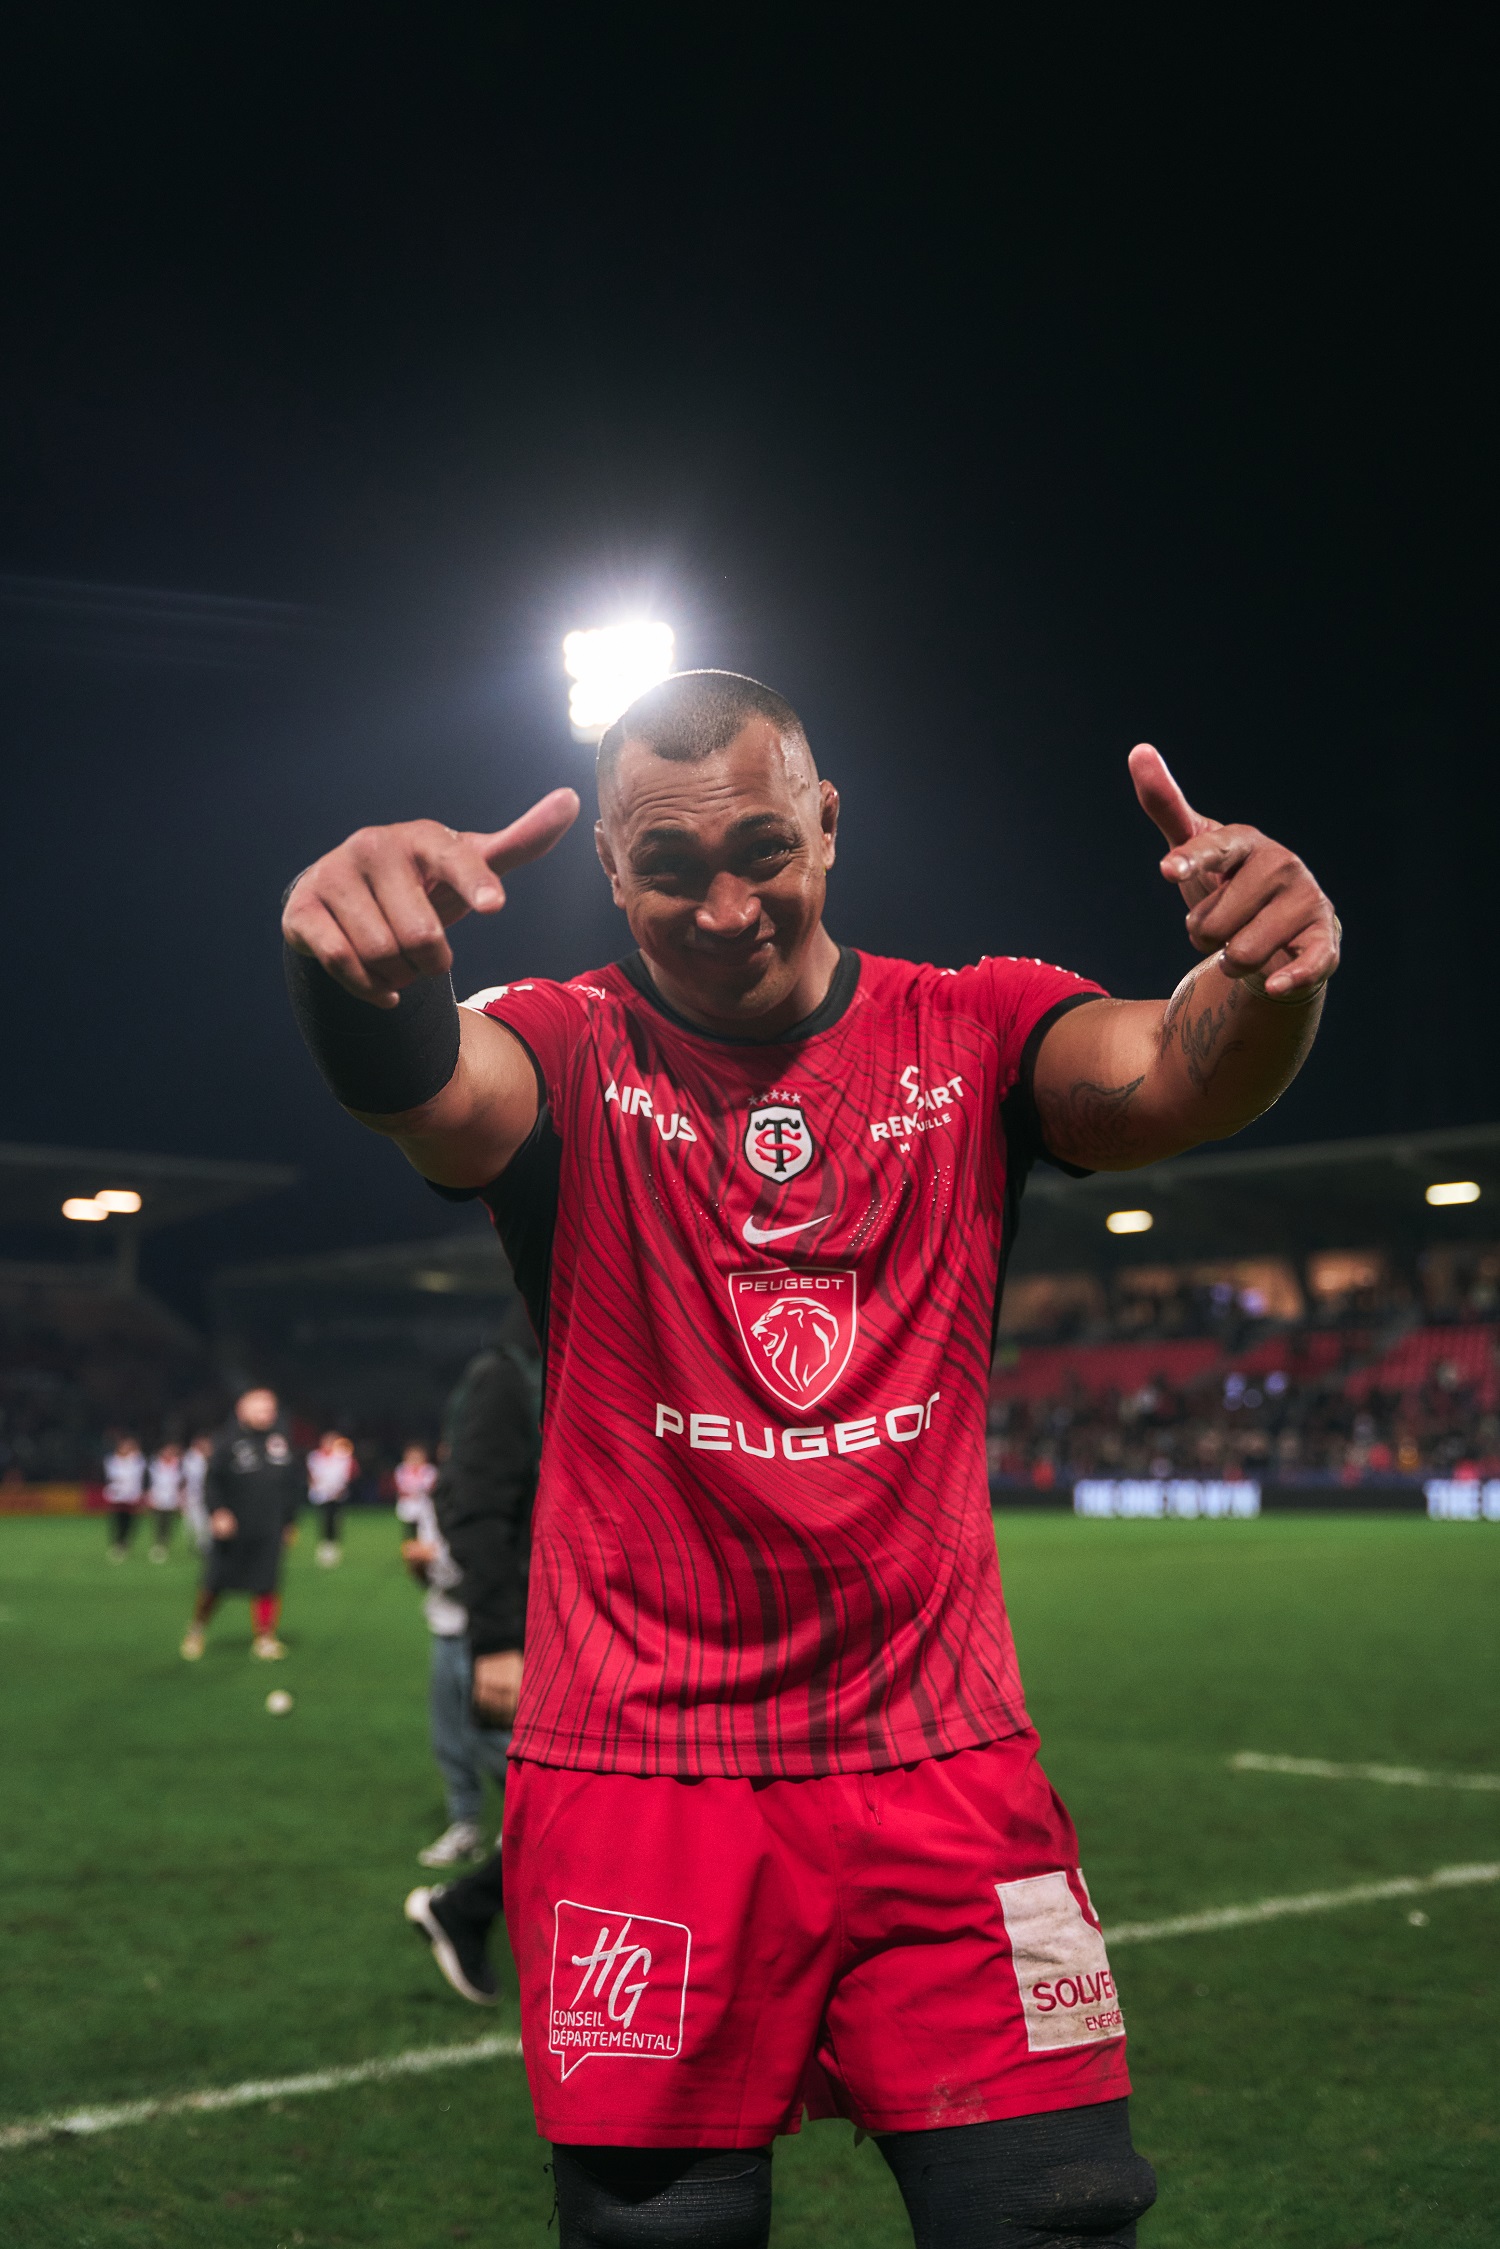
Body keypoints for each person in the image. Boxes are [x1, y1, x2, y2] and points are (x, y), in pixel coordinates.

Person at [283, 671, 1339, 2249]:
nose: (722, 905)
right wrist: (350, 968)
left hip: (944, 1769)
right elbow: (424, 1084)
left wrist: (1270, 971)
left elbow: (1181, 1075)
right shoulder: (569, 1050)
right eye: (668, 867)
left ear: (831, 826)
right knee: (663, 2237)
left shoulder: (975, 1029)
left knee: (1057, 2215)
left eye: (764, 847)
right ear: (609, 875)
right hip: (644, 1779)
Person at [402, 1301, 541, 1979]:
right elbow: (476, 1509)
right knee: (565, 1799)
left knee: (586, 1805)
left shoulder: (569, 1364)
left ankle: (468, 1906)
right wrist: (495, 1638)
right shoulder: (508, 1375)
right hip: (523, 1626)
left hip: (583, 1616)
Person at [180, 1386, 302, 1662]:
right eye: (259, 1408)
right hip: (233, 1526)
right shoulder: (226, 1441)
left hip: (270, 1524)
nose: (265, 1414)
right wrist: (218, 1512)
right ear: (242, 1410)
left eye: (269, 1408)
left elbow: (294, 1484)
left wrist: (290, 1520)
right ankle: (197, 1630)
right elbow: (212, 1482)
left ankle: (265, 1637)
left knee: (267, 1581)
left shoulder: (281, 1442)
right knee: (215, 1583)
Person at [305, 1429, 356, 1566]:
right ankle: (325, 1544)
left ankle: (334, 1544)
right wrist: (316, 1486)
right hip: (320, 1493)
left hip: (337, 1493)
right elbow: (311, 1474)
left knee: (335, 1518)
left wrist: (340, 1488)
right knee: (324, 1519)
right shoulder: (314, 1456)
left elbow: (347, 1474)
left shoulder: (342, 1456)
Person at [102, 1433, 147, 1561]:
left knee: (130, 1522)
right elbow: (112, 1476)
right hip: (117, 1496)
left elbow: (140, 1468)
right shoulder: (112, 1461)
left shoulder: (136, 1460)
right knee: (117, 1521)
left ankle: (125, 1543)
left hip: (132, 1496)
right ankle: (117, 1543)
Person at [145, 1441, 183, 1562]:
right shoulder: (155, 1464)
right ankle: (158, 1544)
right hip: (158, 1496)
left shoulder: (179, 1464)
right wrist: (149, 1495)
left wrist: (181, 1497)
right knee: (158, 1521)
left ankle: (164, 1543)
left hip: (172, 1497)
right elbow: (149, 1481)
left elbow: (182, 1482)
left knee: (168, 1522)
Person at [179, 1433, 213, 1552]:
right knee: (195, 1520)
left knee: (206, 1519)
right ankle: (200, 1543)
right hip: (193, 1493)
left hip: (208, 1493)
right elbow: (185, 1478)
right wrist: (182, 1494)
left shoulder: (210, 1456)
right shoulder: (190, 1458)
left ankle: (205, 1543)